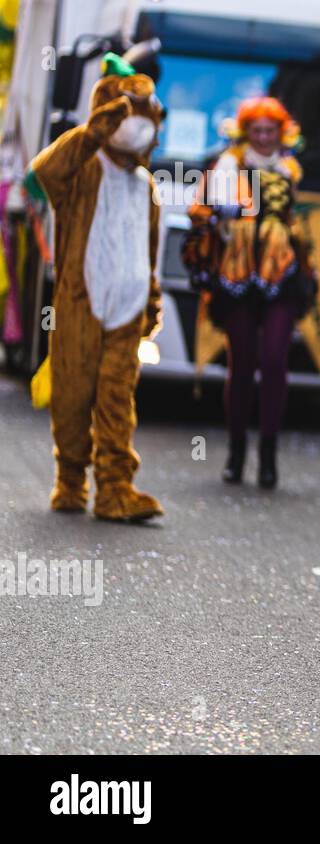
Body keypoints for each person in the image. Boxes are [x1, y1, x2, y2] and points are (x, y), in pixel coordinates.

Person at [28, 51, 166, 521]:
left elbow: (149, 249)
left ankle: (114, 487)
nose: (139, 127)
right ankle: (70, 479)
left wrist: (150, 302)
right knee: (71, 395)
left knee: (115, 400)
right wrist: (91, 133)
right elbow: (44, 171)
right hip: (79, 303)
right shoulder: (82, 170)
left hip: (127, 310)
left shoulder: (146, 185)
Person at [183, 97, 315, 490]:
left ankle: (269, 455)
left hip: (281, 271)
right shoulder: (227, 164)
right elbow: (202, 211)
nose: (262, 137)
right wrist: (220, 212)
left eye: (269, 130)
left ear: (280, 132)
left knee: (275, 360)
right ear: (246, 132)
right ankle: (236, 453)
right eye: (255, 130)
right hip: (236, 273)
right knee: (241, 363)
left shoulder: (289, 167)